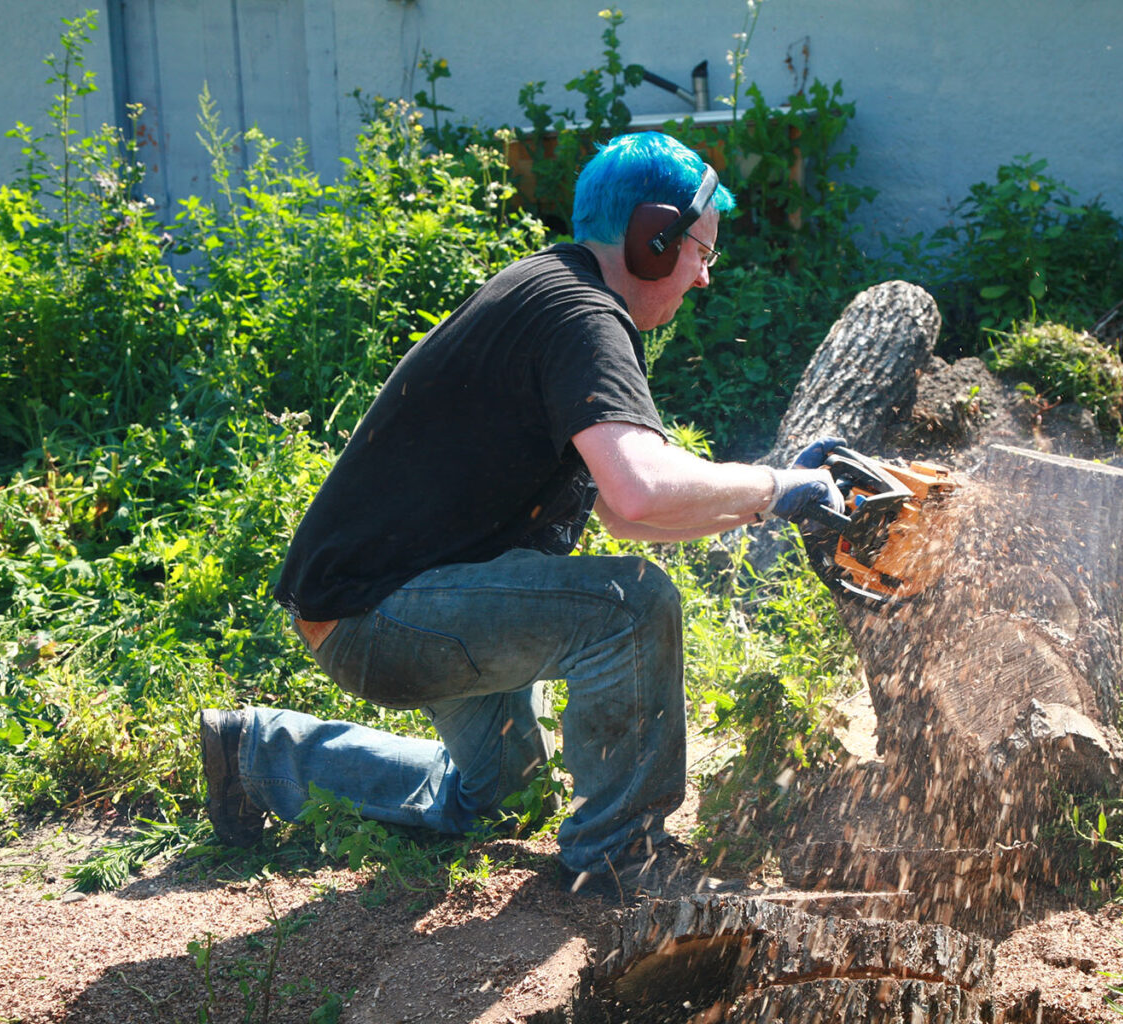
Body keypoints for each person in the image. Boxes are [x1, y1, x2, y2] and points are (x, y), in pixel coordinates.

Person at [197, 131, 844, 901]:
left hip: (393, 599)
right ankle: (618, 858)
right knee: (633, 606)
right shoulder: (582, 316)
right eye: (701, 251)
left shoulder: (555, 295)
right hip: (385, 614)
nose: (703, 277)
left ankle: (258, 752)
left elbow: (624, 514)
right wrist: (773, 486)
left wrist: (766, 502)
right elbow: (641, 494)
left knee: (504, 791)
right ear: (653, 237)